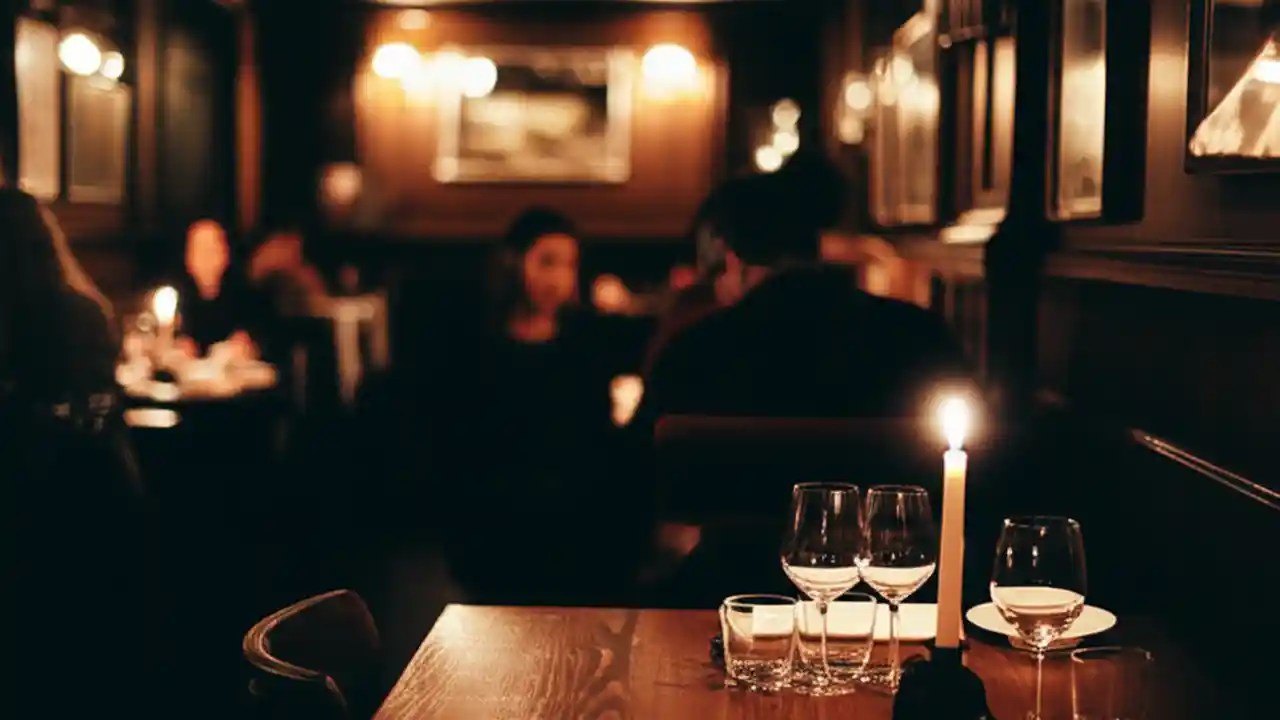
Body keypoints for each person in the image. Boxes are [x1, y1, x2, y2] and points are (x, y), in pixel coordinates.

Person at [640, 159, 970, 423]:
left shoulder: (694, 356)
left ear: (731, 258)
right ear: (815, 246)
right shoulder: (921, 337)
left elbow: (633, 472)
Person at [425, 208, 645, 600]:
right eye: (546, 262)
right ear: (513, 263)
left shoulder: (587, 337)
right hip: (494, 519)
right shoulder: (474, 341)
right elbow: (455, 443)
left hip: (574, 518)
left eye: (568, 265)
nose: (558, 278)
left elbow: (599, 439)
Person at [0, 189, 151, 713]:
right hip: (102, 488)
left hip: (26, 503)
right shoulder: (85, 311)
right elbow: (107, 405)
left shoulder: (15, 323)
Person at [171, 218, 258, 358]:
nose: (206, 259)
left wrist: (247, 344)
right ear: (188, 259)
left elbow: (259, 338)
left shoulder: (245, 296)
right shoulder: (177, 298)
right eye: (199, 250)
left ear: (226, 255)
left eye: (213, 250)